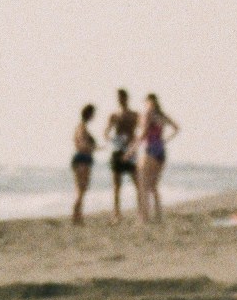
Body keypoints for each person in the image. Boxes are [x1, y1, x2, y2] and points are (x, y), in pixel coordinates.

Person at [135, 92, 180, 222]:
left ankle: (144, 217)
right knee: (153, 185)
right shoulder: (161, 115)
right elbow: (176, 128)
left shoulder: (149, 114)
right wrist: (165, 140)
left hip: (151, 150)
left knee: (143, 184)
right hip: (161, 150)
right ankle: (158, 215)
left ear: (148, 102)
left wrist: (131, 150)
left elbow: (143, 134)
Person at [103, 93, 139, 224]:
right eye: (118, 99)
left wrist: (133, 143)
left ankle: (141, 211)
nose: (120, 101)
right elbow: (106, 132)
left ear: (126, 98)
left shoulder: (134, 115)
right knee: (116, 185)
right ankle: (117, 214)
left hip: (130, 150)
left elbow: (141, 131)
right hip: (118, 150)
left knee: (137, 182)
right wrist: (116, 141)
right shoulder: (114, 115)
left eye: (122, 98)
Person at [69, 103, 98, 224]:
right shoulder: (82, 127)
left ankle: (78, 215)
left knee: (81, 189)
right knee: (81, 189)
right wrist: (93, 147)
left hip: (82, 158)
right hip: (83, 159)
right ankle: (76, 216)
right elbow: (82, 144)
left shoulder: (81, 127)